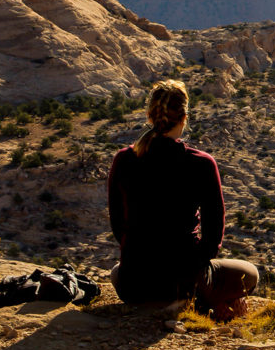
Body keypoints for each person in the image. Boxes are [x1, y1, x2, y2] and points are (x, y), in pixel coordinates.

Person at [107, 80, 257, 319]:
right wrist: (195, 268)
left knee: (116, 273)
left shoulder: (124, 158)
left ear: (149, 115)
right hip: (184, 281)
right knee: (250, 274)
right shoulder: (201, 163)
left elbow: (117, 224)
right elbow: (213, 231)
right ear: (184, 117)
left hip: (133, 283)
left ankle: (167, 300)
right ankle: (198, 301)